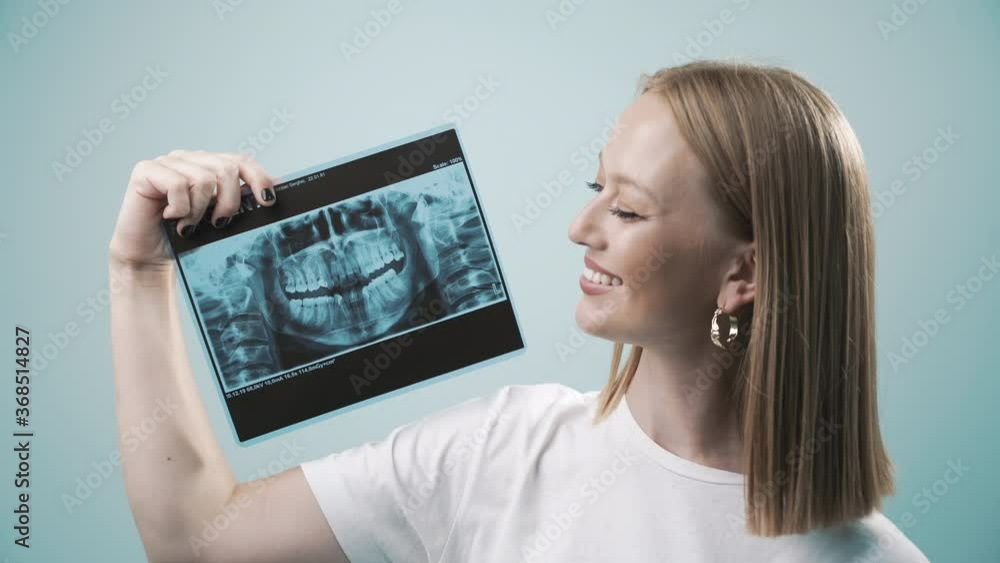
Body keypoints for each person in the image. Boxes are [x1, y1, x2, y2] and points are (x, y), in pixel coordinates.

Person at [108, 60, 929, 562]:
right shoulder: (500, 452)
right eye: (592, 189)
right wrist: (136, 274)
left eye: (629, 210)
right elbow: (195, 540)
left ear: (743, 272)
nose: (579, 229)